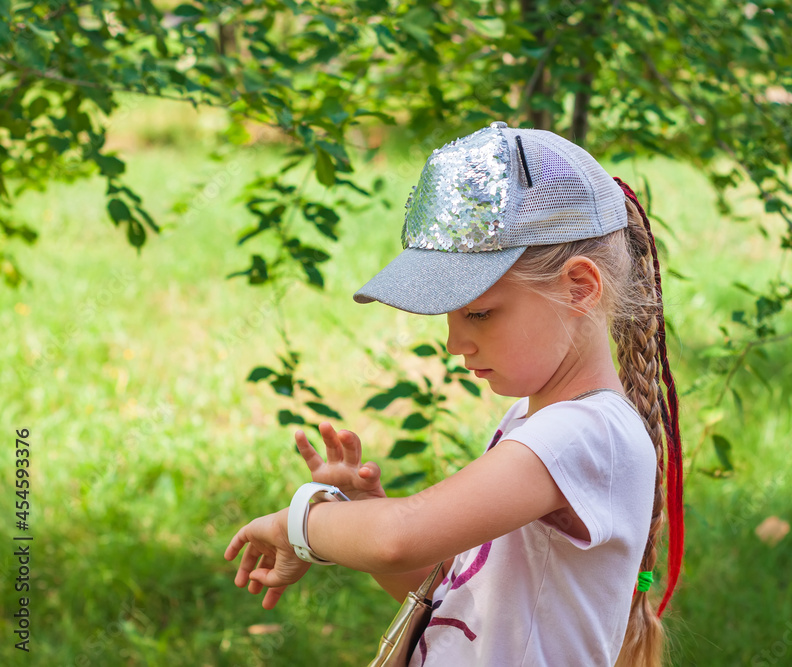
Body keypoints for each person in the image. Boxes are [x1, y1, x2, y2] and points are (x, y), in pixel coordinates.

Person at [224, 121, 684, 667]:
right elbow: (455, 601)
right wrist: (364, 514)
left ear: (579, 288)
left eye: (480, 313)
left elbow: (401, 538)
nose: (454, 342)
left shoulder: (586, 435)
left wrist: (300, 522)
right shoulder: (534, 421)